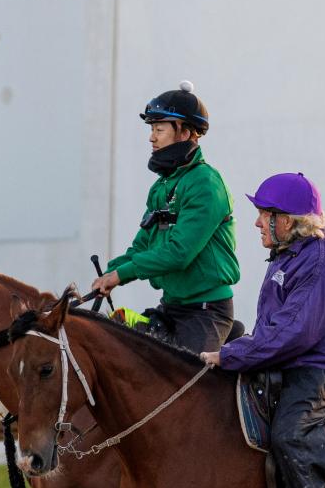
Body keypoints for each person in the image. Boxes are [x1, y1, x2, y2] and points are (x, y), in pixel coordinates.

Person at [200, 172, 325, 488]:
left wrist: (229, 355)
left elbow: (293, 332)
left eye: (264, 214)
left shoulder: (321, 259)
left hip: (318, 370)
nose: (257, 223)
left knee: (290, 434)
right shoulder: (290, 255)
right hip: (287, 362)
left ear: (287, 221)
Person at [91, 81, 240, 353]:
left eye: (159, 129)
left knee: (188, 390)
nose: (152, 137)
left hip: (206, 313)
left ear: (185, 132)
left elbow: (179, 252)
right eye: (151, 129)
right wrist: (112, 272)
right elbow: (141, 246)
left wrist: (121, 275)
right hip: (172, 307)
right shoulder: (161, 186)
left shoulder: (205, 183)